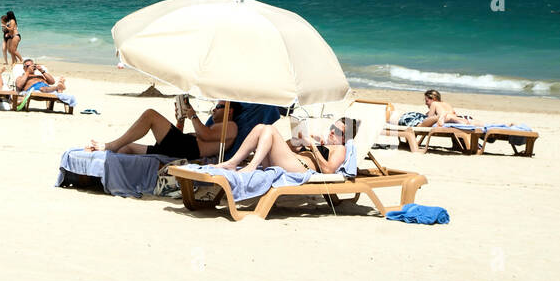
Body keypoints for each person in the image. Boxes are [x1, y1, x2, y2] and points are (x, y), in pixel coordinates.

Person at [87, 99, 239, 160]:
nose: (213, 111)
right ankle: (109, 167)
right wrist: (180, 121)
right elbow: (188, 136)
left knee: (150, 115)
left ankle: (110, 145)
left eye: (218, 107)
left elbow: (205, 136)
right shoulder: (215, 126)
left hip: (188, 149)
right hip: (179, 148)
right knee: (127, 148)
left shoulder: (231, 126)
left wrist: (193, 116)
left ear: (229, 111)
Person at [212, 117, 357, 176]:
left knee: (269, 129)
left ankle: (252, 165)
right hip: (288, 161)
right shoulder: (322, 143)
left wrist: (313, 146)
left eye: (337, 131)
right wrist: (298, 141)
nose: (332, 132)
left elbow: (329, 171)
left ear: (345, 138)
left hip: (299, 167)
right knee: (260, 127)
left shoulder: (340, 149)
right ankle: (233, 162)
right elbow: (287, 149)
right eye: (333, 127)